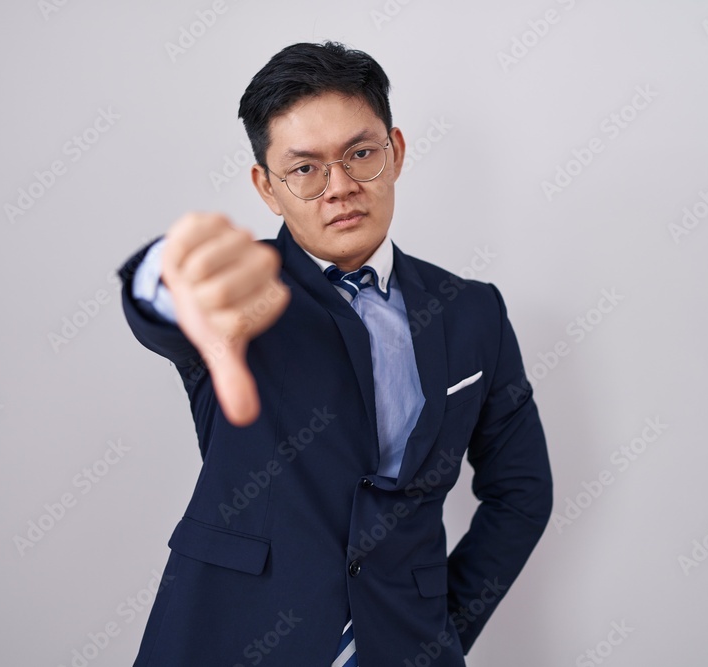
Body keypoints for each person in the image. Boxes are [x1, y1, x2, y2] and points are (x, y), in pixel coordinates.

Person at [118, 41, 552, 667]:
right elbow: (167, 314)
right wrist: (166, 279)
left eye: (360, 154)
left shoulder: (472, 310)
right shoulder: (245, 293)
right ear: (266, 188)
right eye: (305, 168)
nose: (340, 187)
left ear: (395, 152)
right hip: (227, 639)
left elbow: (522, 492)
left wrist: (438, 629)